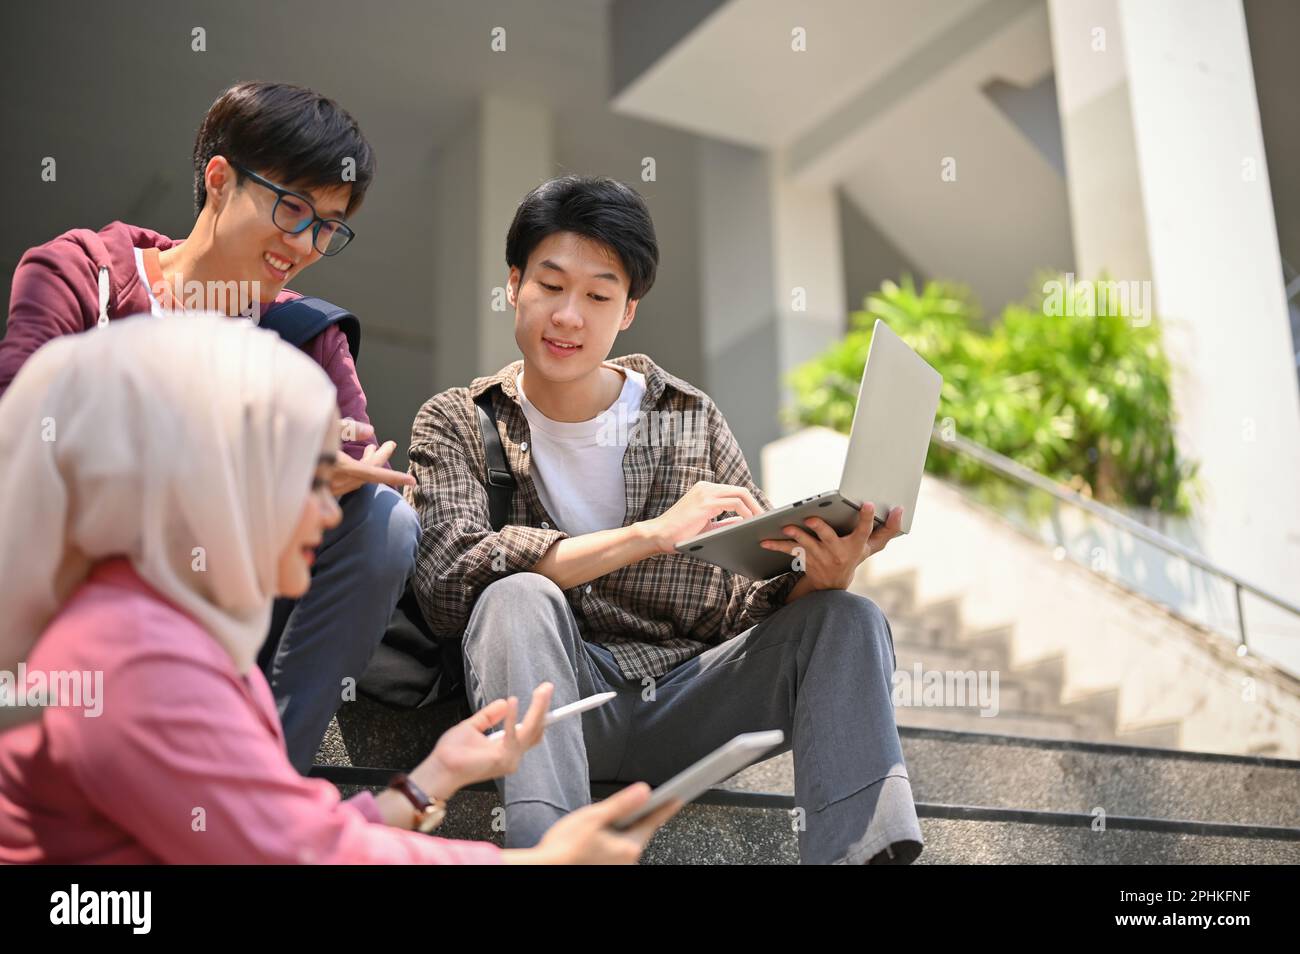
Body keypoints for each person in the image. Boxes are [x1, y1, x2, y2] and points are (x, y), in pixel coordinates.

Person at [0, 314, 678, 864]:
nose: (331, 514)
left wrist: (434, 776)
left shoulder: (156, 632)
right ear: (209, 486)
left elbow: (287, 835)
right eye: (307, 480)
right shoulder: (133, 655)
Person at [406, 175, 924, 864]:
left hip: (688, 704)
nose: (568, 316)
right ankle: (550, 853)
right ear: (513, 284)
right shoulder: (458, 422)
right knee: (515, 593)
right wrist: (650, 536)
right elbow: (448, 583)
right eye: (551, 285)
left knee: (848, 617)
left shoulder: (688, 418)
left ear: (628, 311)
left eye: (598, 295)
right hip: (547, 710)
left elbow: (754, 603)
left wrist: (819, 576)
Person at [0, 81, 417, 772]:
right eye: (292, 208)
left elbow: (357, 468)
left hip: (232, 618)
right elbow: (22, 438)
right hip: (78, 605)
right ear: (219, 180)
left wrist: (319, 481)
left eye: (328, 225)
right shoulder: (85, 278)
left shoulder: (308, 333)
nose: (305, 243)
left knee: (385, 522)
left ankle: (268, 780)